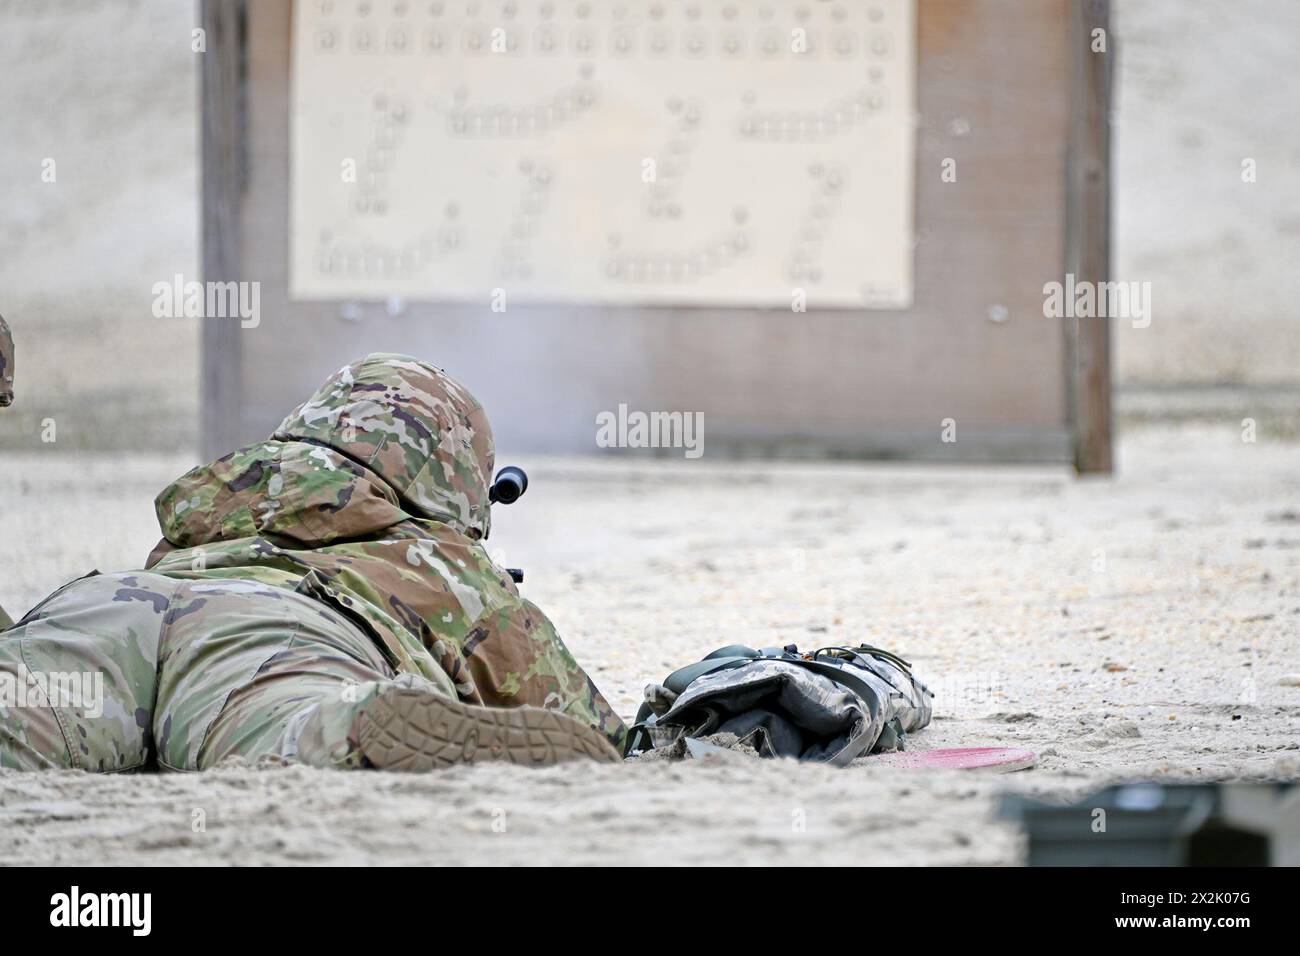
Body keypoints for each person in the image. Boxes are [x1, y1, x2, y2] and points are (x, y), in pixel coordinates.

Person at [0, 353, 625, 771]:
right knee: (279, 721)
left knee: (27, 707)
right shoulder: (442, 555)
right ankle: (349, 720)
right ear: (450, 472)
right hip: (279, 631)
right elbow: (579, 725)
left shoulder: (221, 498)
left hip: (114, 605)